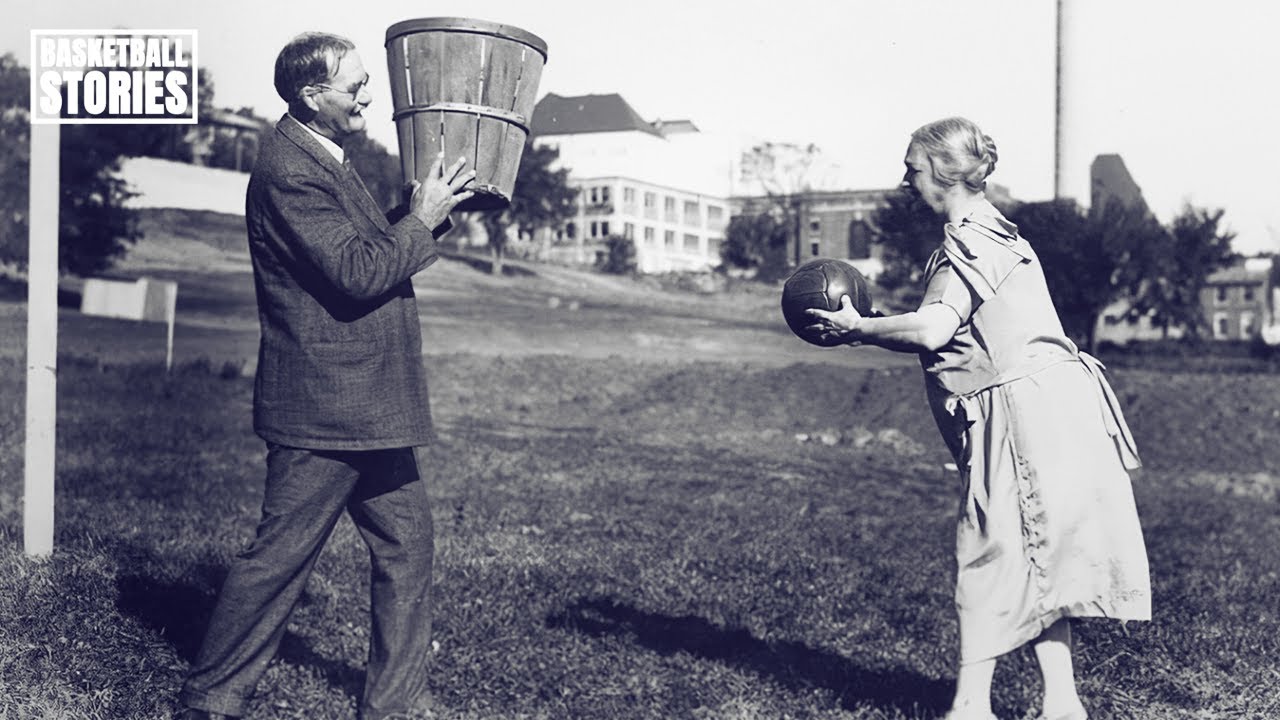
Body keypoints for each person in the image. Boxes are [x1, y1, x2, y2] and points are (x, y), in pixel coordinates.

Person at [808, 117, 1150, 720]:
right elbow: (950, 336)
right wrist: (878, 328)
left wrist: (858, 327)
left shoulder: (971, 241)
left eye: (913, 167)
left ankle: (970, 708)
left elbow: (934, 328)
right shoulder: (998, 235)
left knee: (988, 551)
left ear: (944, 172)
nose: (906, 179)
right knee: (1041, 553)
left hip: (1022, 416)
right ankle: (1063, 705)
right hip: (1050, 408)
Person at [178, 32, 474, 720]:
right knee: (279, 559)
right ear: (313, 96)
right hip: (325, 406)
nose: (369, 94)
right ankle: (208, 701)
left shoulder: (324, 156)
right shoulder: (292, 169)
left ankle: (394, 705)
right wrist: (421, 221)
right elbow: (359, 273)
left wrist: (423, 215)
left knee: (408, 542)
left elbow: (364, 250)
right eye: (356, 85)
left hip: (364, 403)